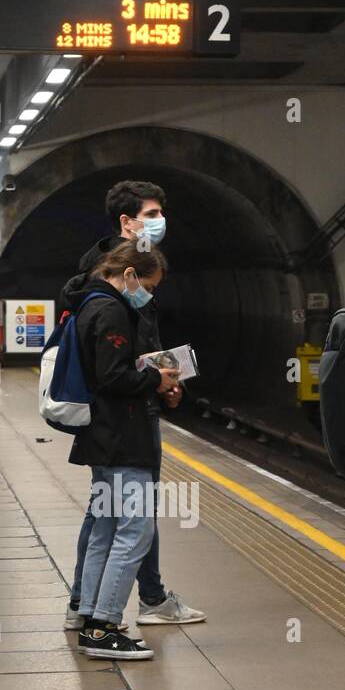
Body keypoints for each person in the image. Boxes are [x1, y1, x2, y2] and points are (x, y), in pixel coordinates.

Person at [62, 179, 206, 630]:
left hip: (131, 408)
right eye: (150, 214)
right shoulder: (109, 286)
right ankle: (114, 610)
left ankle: (92, 606)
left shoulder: (132, 274)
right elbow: (113, 367)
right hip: (121, 419)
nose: (159, 222)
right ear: (126, 223)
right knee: (127, 519)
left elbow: (141, 345)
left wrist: (166, 379)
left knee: (112, 515)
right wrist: (150, 380)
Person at [70, 241, 179, 659]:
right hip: (121, 437)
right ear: (130, 273)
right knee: (136, 531)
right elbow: (112, 377)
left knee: (105, 530)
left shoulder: (90, 304)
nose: (148, 294)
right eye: (147, 285)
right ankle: (102, 629)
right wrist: (155, 379)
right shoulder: (112, 310)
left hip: (103, 438)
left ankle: (91, 616)